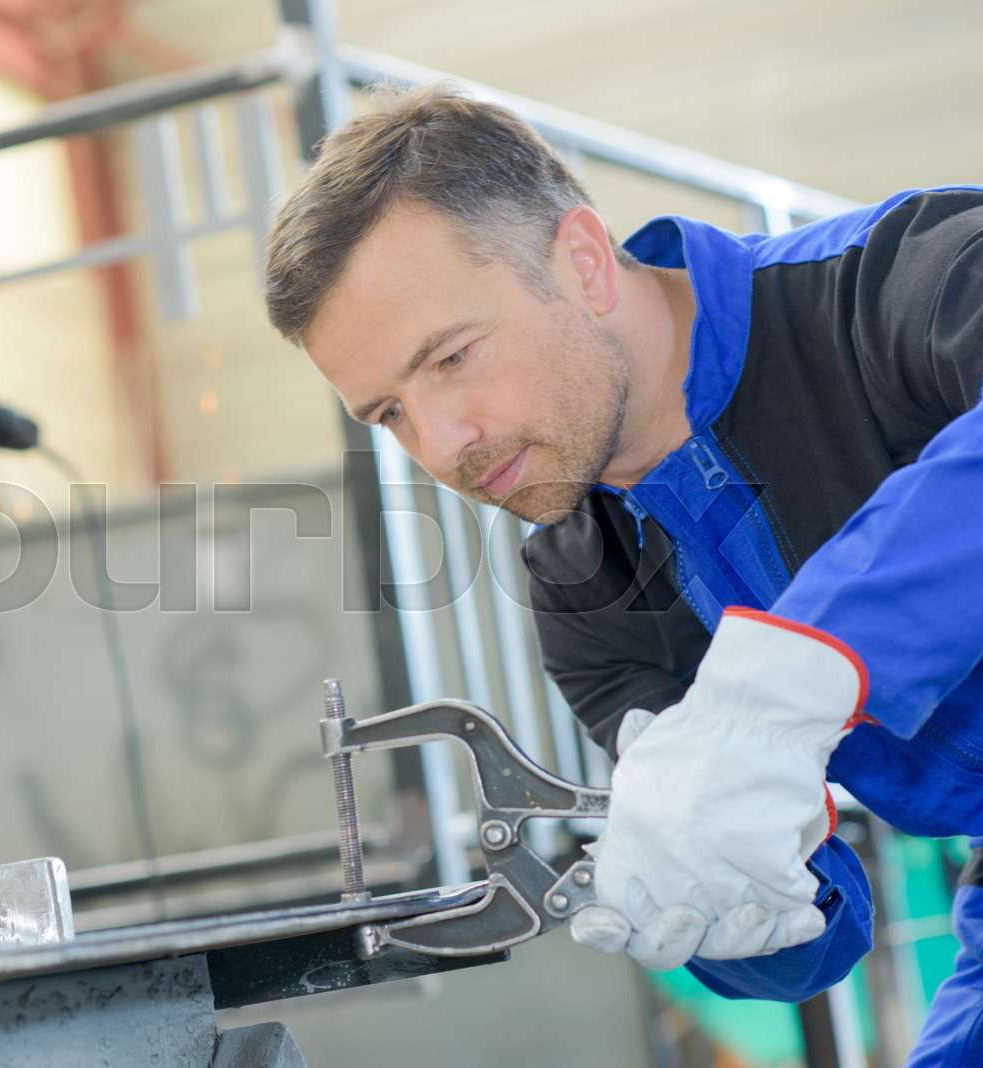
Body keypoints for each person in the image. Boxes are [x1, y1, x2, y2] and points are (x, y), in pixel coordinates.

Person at [263, 85, 983, 1065]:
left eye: (452, 359)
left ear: (585, 263)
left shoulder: (893, 280)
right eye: (387, 413)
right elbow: (820, 938)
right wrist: (726, 905)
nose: (440, 445)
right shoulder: (580, 585)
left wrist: (795, 675)